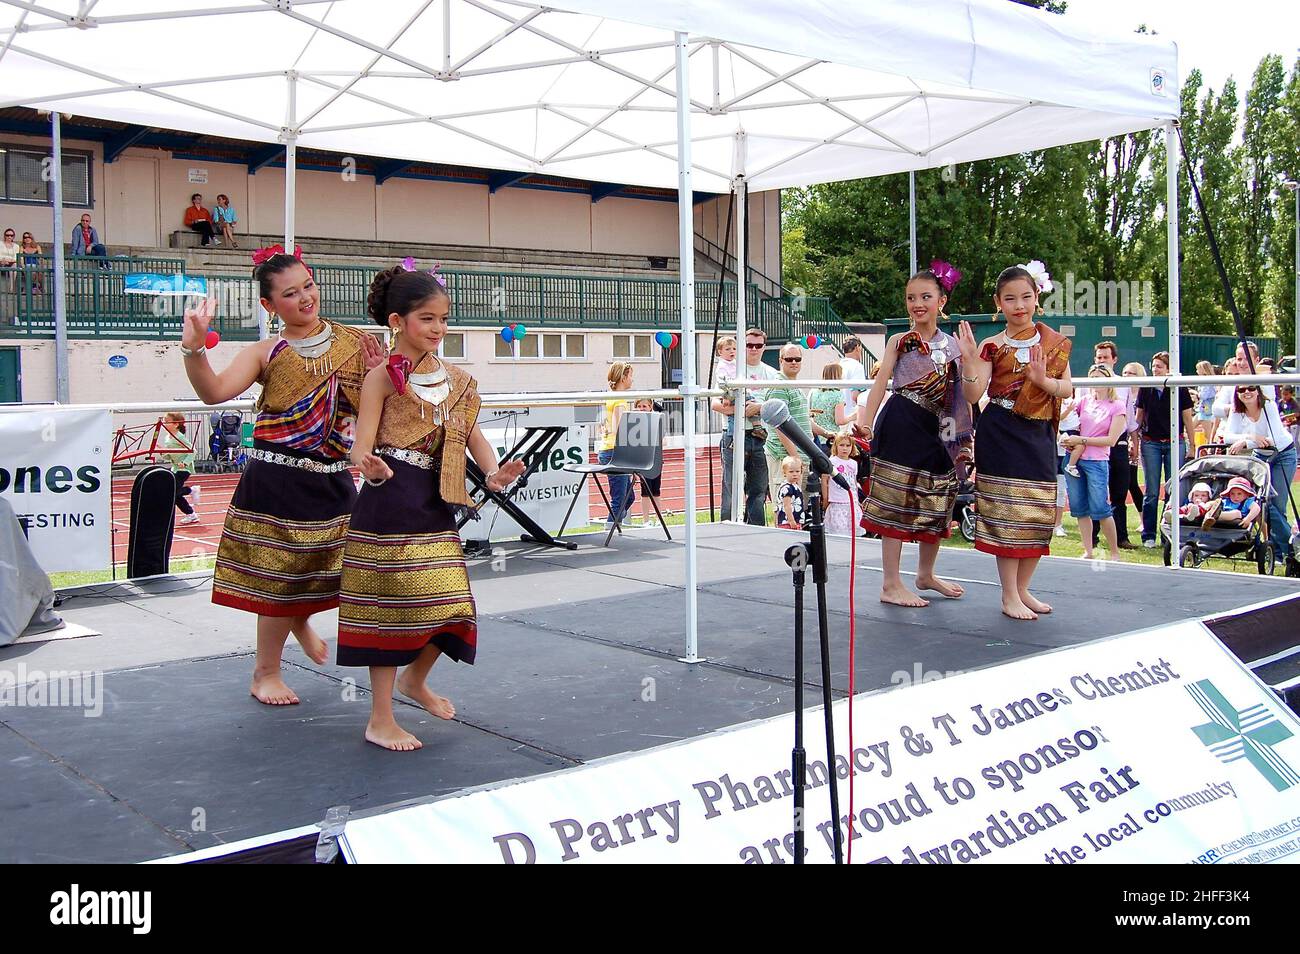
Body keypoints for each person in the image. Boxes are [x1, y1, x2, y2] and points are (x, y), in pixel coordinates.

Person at [181, 249, 385, 705]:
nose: (305, 298)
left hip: (334, 477)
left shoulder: (357, 343)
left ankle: (298, 617)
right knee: (277, 578)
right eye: (290, 294)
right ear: (271, 307)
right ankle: (265, 672)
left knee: (340, 569)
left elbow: (385, 408)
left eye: (308, 285)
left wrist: (381, 376)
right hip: (276, 479)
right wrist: (193, 348)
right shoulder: (265, 352)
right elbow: (213, 392)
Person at [337, 264, 523, 751]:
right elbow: (360, 446)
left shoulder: (458, 381)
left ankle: (414, 680)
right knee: (387, 610)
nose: (438, 329)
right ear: (398, 320)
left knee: (453, 603)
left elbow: (473, 437)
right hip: (388, 497)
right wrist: (369, 467)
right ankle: (380, 718)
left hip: (434, 499)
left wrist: (493, 473)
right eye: (427, 319)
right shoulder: (379, 377)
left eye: (443, 319)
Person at [956, 262, 1071, 620]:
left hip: (1038, 433)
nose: (1019, 305)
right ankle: (1009, 594)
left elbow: (1067, 388)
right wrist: (969, 360)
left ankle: (1024, 589)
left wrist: (1043, 381)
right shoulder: (993, 345)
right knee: (1007, 513)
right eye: (1010, 299)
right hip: (1001, 431)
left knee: (1037, 511)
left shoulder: (1054, 343)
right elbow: (973, 396)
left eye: (1025, 297)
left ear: (1037, 297)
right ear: (999, 303)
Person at [860, 265, 972, 606]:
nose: (917, 303)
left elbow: (965, 394)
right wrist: (866, 422)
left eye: (926, 296)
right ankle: (891, 584)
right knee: (894, 500)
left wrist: (962, 438)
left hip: (939, 430)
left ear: (942, 300)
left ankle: (925, 574)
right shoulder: (900, 341)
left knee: (937, 500)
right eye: (911, 297)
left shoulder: (954, 346)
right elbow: (881, 384)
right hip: (901, 422)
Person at [1218, 383, 1296, 563]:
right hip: (1260, 456)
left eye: (1251, 388)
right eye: (1241, 390)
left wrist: (1246, 443)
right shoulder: (1238, 412)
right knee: (1263, 503)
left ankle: (1286, 550)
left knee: (1276, 504)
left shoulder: (1269, 406)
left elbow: (1273, 438)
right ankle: (1281, 551)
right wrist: (1250, 438)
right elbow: (1228, 436)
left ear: (1258, 391)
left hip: (1283, 454)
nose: (1246, 392)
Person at [1060, 365, 1126, 561]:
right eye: (1092, 377)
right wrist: (1067, 439)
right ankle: (1088, 550)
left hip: (1097, 460)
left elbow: (1111, 440)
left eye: (1098, 377)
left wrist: (1081, 440)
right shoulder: (1084, 401)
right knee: (1079, 507)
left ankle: (1114, 552)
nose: (1094, 381)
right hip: (1076, 458)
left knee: (1101, 508)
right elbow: (1070, 421)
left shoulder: (1117, 406)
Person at [711, 327, 776, 525]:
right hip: (733, 435)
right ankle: (727, 529)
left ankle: (757, 530)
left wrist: (758, 408)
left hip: (761, 437)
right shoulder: (730, 368)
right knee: (731, 488)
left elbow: (778, 406)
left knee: (758, 491)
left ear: (764, 347)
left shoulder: (771, 374)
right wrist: (739, 410)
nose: (753, 349)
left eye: (758, 345)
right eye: (749, 345)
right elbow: (714, 403)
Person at [1135, 351, 1194, 547]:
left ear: (1168, 368)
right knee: (1151, 491)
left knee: (1173, 489)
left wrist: (1192, 445)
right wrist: (1133, 439)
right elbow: (1139, 417)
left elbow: (1187, 418)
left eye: (1159, 366)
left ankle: (1168, 533)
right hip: (1150, 442)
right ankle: (1149, 534)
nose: (1155, 370)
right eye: (1153, 366)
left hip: (1174, 441)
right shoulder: (1146, 387)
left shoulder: (1179, 388)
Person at [1089, 341, 1136, 549]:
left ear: (1114, 359)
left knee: (1119, 490)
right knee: (1097, 491)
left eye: (1105, 357)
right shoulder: (1087, 384)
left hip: (1118, 443)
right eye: (1099, 357)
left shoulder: (1123, 385)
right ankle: (1092, 537)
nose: (1102, 361)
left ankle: (1121, 537)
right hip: (1095, 445)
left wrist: (1135, 442)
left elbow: (1130, 417)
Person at [764, 342, 815, 517]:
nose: (794, 362)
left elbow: (802, 420)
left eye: (797, 359)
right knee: (787, 509)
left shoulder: (793, 384)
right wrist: (794, 457)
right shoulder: (780, 386)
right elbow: (779, 425)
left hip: (800, 456)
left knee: (801, 508)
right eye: (789, 359)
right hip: (785, 457)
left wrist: (825, 433)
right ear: (781, 361)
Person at [599, 361, 636, 529]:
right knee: (619, 498)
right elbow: (619, 427)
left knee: (628, 497)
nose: (632, 380)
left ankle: (614, 524)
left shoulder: (610, 397)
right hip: (614, 451)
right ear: (623, 377)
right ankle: (610, 528)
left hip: (609, 449)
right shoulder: (620, 400)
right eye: (630, 376)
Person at [157, 411, 200, 526]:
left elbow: (193, 450)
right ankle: (191, 514)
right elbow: (169, 455)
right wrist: (162, 452)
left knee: (172, 492)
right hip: (175, 468)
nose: (164, 424)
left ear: (176, 424)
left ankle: (191, 490)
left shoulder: (179, 437)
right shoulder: (167, 438)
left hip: (184, 469)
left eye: (167, 422)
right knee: (174, 494)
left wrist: (185, 463)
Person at [632, 397, 666, 526]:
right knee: (645, 492)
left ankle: (659, 518)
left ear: (651, 406)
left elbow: (662, 439)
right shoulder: (634, 423)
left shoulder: (657, 420)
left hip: (656, 459)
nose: (641, 409)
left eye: (644, 406)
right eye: (639, 406)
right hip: (642, 461)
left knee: (656, 490)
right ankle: (645, 520)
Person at [823, 433, 860, 536]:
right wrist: (825, 499)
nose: (845, 448)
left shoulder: (853, 463)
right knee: (839, 533)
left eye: (848, 445)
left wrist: (856, 499)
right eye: (841, 445)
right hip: (837, 502)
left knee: (853, 532)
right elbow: (825, 480)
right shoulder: (831, 462)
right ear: (836, 446)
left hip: (851, 503)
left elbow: (854, 482)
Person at [808, 362, 846, 455]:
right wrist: (854, 416)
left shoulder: (813, 391)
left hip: (816, 439)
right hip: (832, 439)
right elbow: (839, 421)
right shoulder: (838, 394)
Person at [774, 456, 805, 530]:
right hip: (787, 522)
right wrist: (791, 520)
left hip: (796, 520)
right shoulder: (787, 488)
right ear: (784, 473)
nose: (794, 474)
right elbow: (787, 505)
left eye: (797, 471)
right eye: (791, 472)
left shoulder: (795, 486)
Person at [1194, 360, 1219, 448]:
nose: (1197, 372)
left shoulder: (1208, 382)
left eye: (1198, 369)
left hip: (1207, 411)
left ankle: (1210, 451)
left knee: (1208, 436)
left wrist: (1196, 394)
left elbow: (1204, 395)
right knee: (1190, 427)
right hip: (1202, 410)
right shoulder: (1204, 381)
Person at [840, 337, 868, 409]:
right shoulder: (857, 367)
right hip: (851, 413)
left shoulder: (838, 365)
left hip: (838, 413)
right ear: (857, 347)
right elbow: (855, 395)